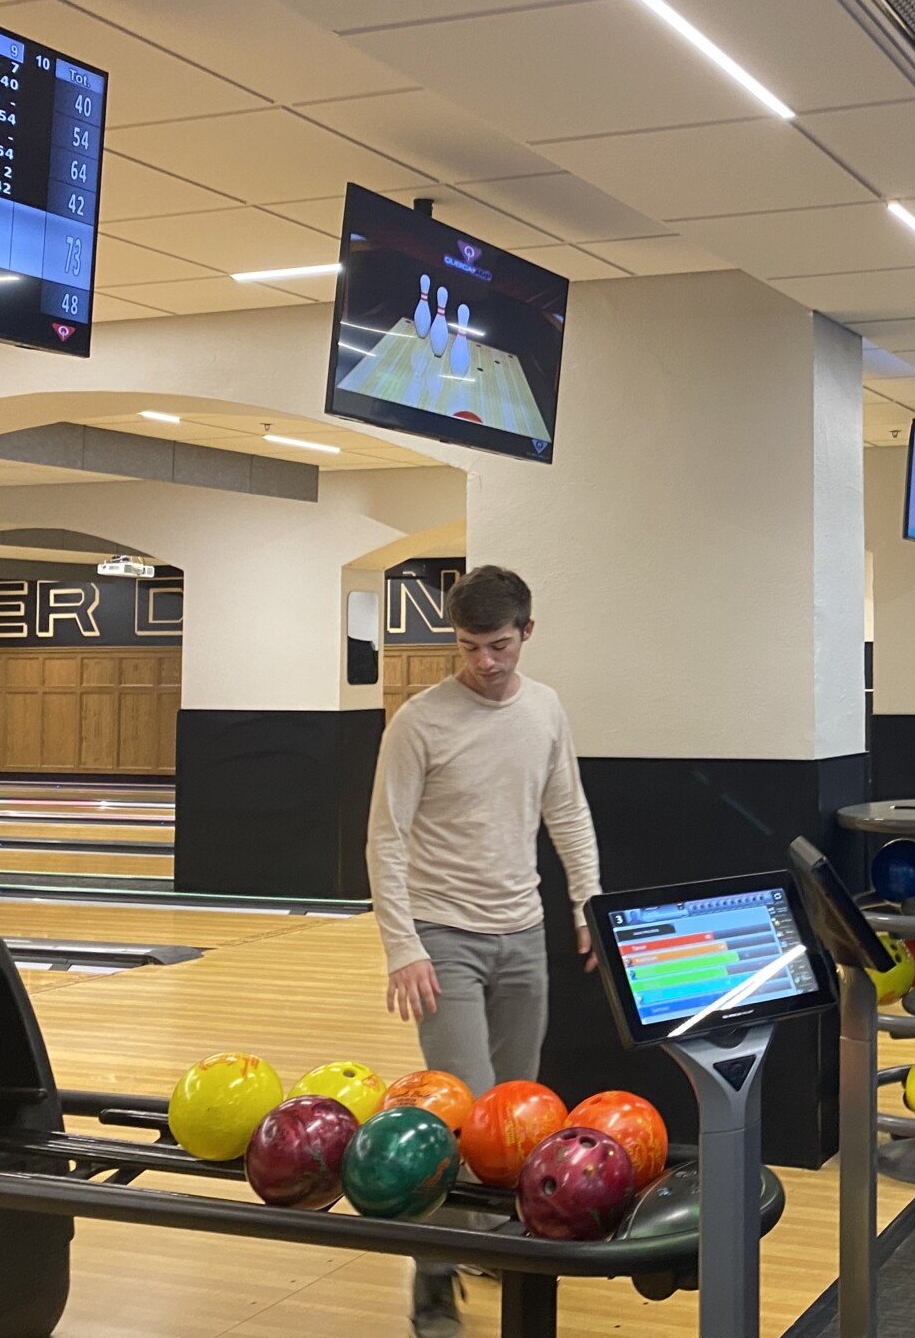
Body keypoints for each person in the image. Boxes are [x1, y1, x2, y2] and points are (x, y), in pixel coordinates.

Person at [365, 565, 602, 1338]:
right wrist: (403, 945)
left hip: (523, 931)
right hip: (442, 938)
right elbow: (386, 839)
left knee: (518, 1112)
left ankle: (495, 1240)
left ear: (526, 633)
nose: (484, 663)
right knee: (457, 1114)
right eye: (468, 647)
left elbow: (567, 808)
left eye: (499, 645)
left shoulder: (546, 708)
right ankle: (431, 1279)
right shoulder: (419, 721)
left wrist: (584, 904)